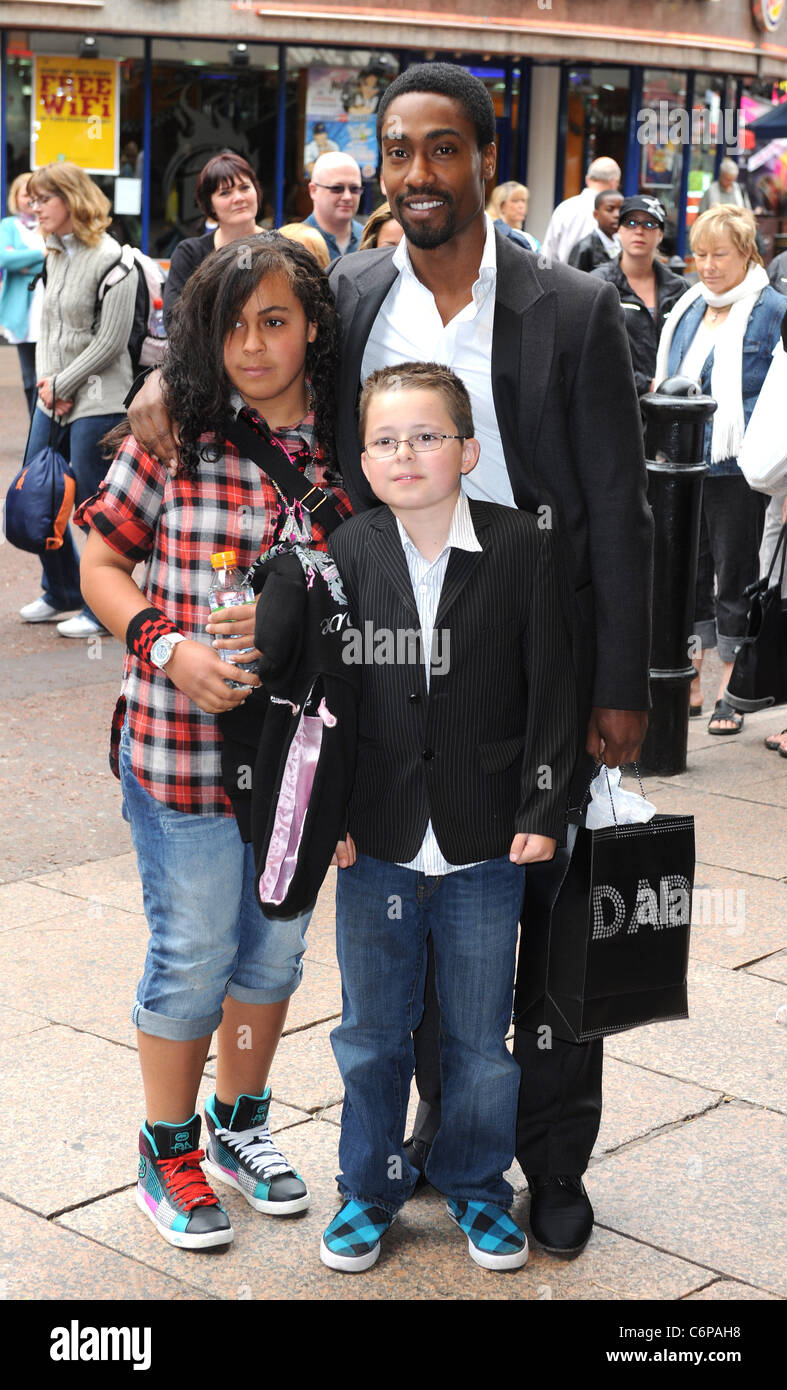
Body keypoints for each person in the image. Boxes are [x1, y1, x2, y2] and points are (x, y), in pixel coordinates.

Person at [124, 63, 652, 1257]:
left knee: (543, 923)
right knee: (419, 912)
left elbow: (620, 508)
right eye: (398, 152)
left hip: (535, 647)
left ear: (482, 159)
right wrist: (164, 388)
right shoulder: (352, 288)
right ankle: (415, 1157)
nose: (418, 174)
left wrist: (619, 686)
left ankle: (548, 1164)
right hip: (387, 648)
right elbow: (247, 345)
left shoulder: (568, 308)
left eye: (443, 151)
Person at [76, 234, 351, 1251]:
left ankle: (239, 1125)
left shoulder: (351, 439)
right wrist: (168, 644)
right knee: (193, 949)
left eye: (274, 321)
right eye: (231, 325)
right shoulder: (175, 434)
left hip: (301, 762)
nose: (252, 345)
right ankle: (166, 1145)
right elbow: (100, 556)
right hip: (181, 747)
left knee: (271, 952)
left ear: (312, 326)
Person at [319, 361, 576, 1273]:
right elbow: (331, 696)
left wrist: (547, 801)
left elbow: (553, 687)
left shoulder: (519, 547)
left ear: (467, 450)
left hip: (484, 837)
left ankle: (474, 1185)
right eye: (386, 440)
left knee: (478, 1036)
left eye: (426, 435)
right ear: (363, 459)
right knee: (371, 1031)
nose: (406, 453)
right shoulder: (348, 552)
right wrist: (329, 817)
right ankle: (370, 1187)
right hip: (376, 839)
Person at [655, 205, 786, 732]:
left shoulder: (773, 308)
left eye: (719, 255)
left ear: (747, 253)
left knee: (735, 572)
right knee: (686, 572)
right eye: (700, 254)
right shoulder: (688, 305)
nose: (706, 266)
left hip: (738, 466)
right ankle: (692, 675)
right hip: (682, 463)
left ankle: (733, 685)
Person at [18, 162, 137, 639]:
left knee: (93, 505)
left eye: (43, 198)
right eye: (32, 198)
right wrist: (50, 383)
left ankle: (103, 606)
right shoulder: (55, 254)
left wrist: (63, 383)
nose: (34, 207)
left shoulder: (114, 259)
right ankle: (62, 590)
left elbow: (110, 341)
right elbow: (47, 329)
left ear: (72, 200)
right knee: (38, 496)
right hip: (55, 395)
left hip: (100, 398)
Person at [591, 195, 687, 395]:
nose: (639, 231)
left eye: (649, 224)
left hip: (669, 405)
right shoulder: (597, 285)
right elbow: (592, 352)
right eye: (631, 222)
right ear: (619, 230)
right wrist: (645, 385)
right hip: (616, 403)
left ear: (660, 234)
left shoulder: (680, 289)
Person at [163, 152, 265, 328]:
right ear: (209, 205)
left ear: (256, 190)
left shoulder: (282, 247)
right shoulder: (190, 254)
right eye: (225, 192)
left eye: (245, 188)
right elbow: (174, 322)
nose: (238, 198)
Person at [0, 172, 46, 417]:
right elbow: (5, 259)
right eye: (25, 193)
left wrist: (24, 264)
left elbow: (59, 259)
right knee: (30, 378)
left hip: (49, 312)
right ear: (15, 197)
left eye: (35, 194)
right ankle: (34, 432)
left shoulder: (49, 222)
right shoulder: (8, 226)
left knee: (47, 378)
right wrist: (42, 255)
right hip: (23, 315)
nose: (30, 199)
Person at [542, 156, 621, 263]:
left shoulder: (564, 208)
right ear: (613, 182)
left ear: (587, 179)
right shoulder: (615, 215)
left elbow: (547, 254)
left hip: (562, 276)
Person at [304, 152, 365, 262]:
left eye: (354, 188)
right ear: (313, 190)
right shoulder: (295, 244)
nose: (347, 197)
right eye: (337, 188)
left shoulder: (370, 239)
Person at [568, 190, 623, 272]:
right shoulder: (584, 247)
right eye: (610, 209)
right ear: (596, 215)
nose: (617, 215)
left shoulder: (622, 243)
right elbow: (573, 280)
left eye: (621, 209)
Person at [486, 181, 539, 250]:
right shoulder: (491, 230)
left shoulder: (522, 235)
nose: (521, 206)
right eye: (515, 201)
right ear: (501, 206)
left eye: (523, 200)